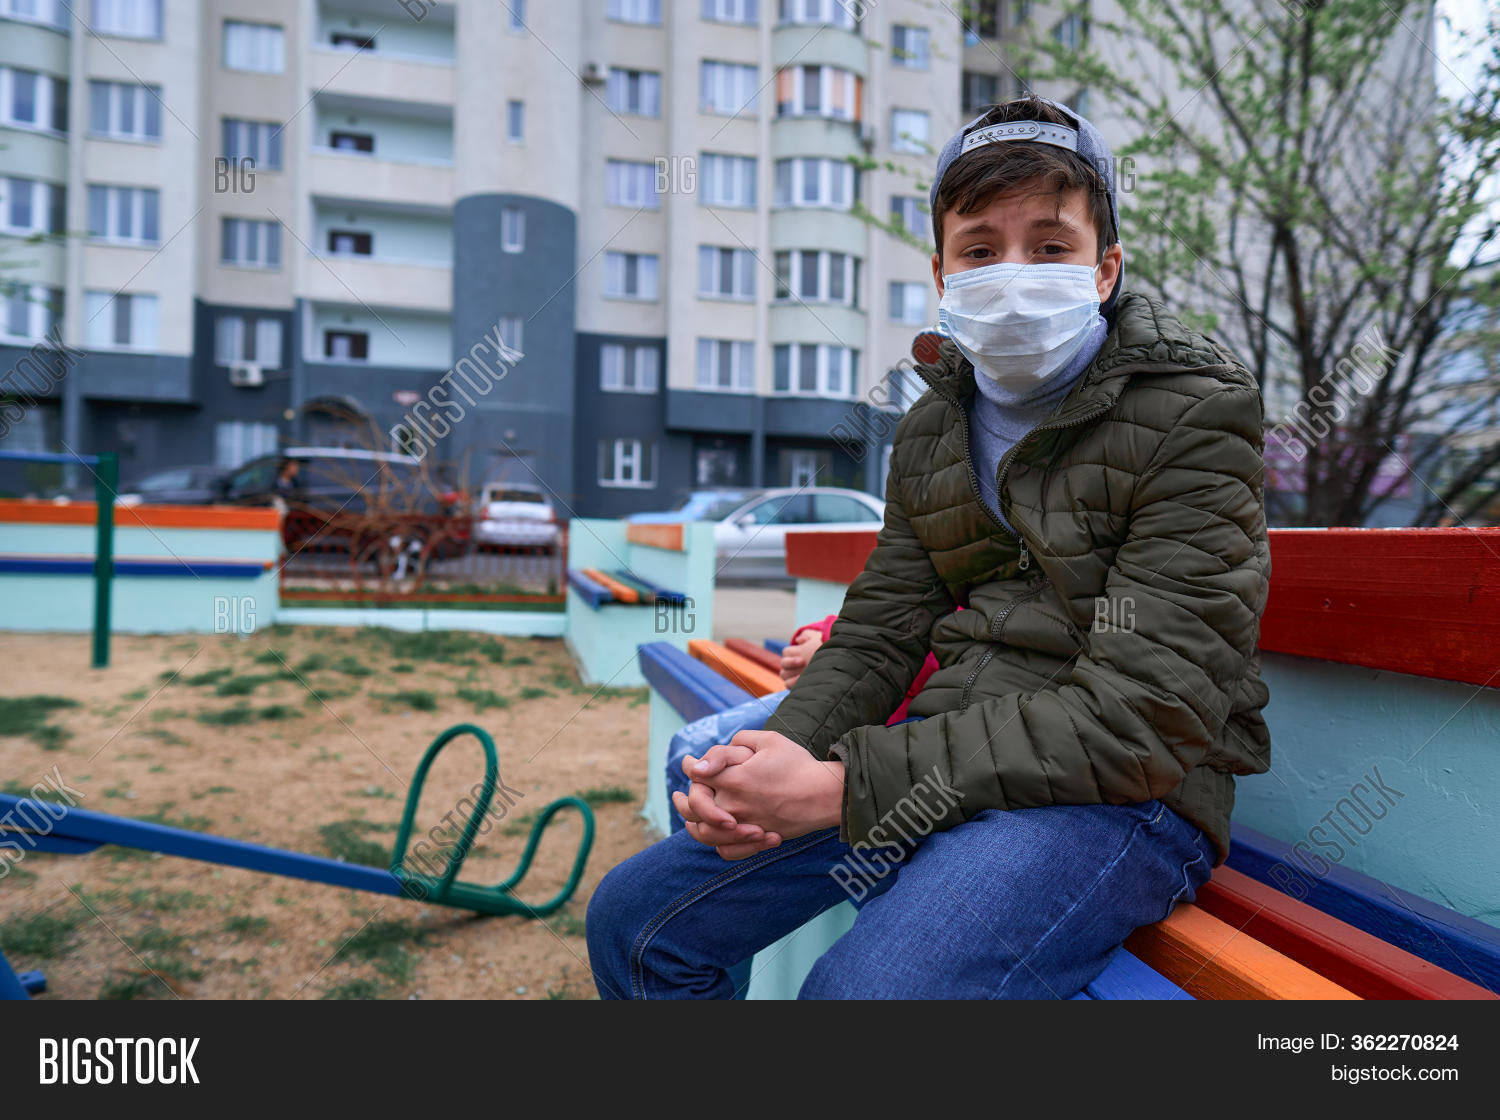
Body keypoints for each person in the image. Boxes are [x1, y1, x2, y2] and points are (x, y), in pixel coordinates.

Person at [587, 96, 1272, 999]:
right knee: (638, 925)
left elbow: (1143, 718)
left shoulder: (1194, 411)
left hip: (1123, 796)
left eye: (1050, 245)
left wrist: (843, 786)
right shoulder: (933, 428)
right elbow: (878, 633)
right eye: (982, 249)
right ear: (941, 273)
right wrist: (774, 763)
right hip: (946, 752)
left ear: (1104, 269)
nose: (1014, 271)